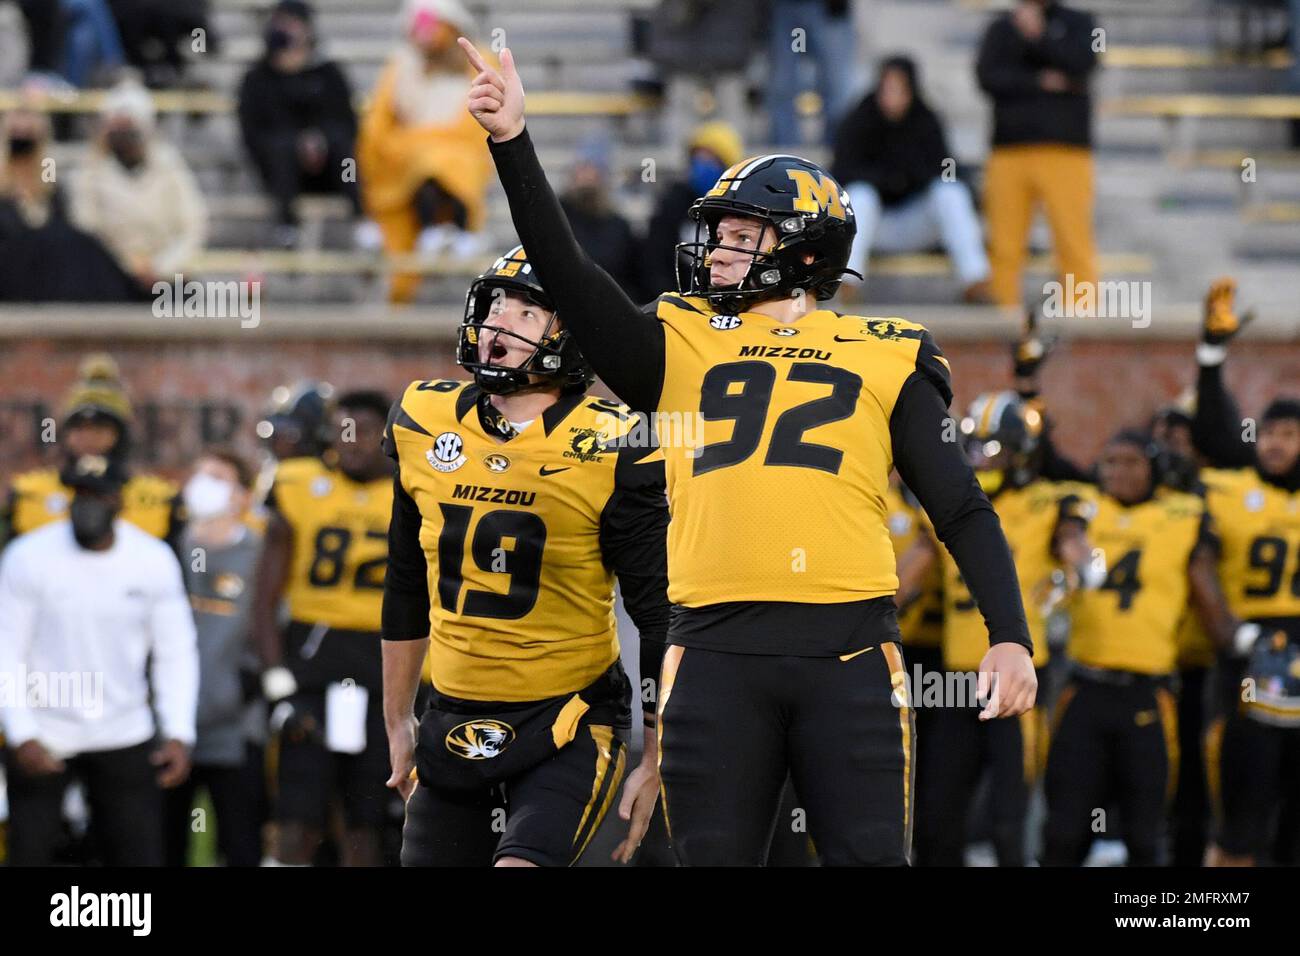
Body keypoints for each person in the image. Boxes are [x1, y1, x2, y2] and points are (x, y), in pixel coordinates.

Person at [461, 38, 1036, 866]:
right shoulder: (684, 333)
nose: (718, 247)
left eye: (740, 232)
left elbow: (959, 504)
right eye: (719, 231)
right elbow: (572, 277)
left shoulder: (888, 348)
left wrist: (1008, 633)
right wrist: (513, 141)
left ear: (804, 251)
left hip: (850, 654)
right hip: (714, 653)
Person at [382, 246, 669, 866]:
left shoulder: (614, 442)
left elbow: (657, 612)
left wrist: (657, 750)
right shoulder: (424, 418)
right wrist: (397, 718)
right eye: (494, 308)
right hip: (452, 715)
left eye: (526, 314)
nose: (498, 325)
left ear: (571, 335)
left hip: (567, 719)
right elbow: (406, 581)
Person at [897, 391, 1083, 866]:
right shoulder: (942, 505)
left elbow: (1080, 557)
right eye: (973, 448)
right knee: (937, 816)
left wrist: (1077, 567)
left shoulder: (1049, 504)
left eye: (993, 449)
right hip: (956, 681)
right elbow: (903, 583)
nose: (980, 459)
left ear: (1022, 452)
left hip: (1016, 680)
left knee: (1009, 817)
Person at [1043, 431, 1241, 866]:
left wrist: (1231, 638)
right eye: (1110, 462)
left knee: (1145, 834)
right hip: (1086, 686)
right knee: (1064, 831)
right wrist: (1076, 550)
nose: (1118, 472)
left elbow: (1204, 576)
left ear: (1153, 467)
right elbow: (1067, 528)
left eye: (1130, 462)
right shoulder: (1085, 505)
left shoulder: (1182, 515)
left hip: (1148, 693)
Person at [0, 454, 198, 866]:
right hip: (45, 730)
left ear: (120, 501)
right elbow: (7, 648)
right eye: (79, 494)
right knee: (31, 853)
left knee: (137, 856)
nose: (87, 504)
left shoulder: (152, 558)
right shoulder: (28, 556)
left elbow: (175, 651)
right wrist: (20, 732)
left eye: (99, 495)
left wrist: (178, 730)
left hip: (123, 730)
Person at [251, 390, 395, 866]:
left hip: (382, 667)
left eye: (365, 433)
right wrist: (276, 680)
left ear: (387, 436)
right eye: (342, 432)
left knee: (367, 823)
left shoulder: (413, 490)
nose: (351, 444)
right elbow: (264, 597)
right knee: (296, 816)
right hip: (312, 663)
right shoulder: (297, 483)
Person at [1188, 278, 1300, 867]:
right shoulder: (1236, 482)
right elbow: (1211, 430)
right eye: (1271, 433)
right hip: (1247, 655)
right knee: (1239, 818)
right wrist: (1211, 354)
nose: (1276, 444)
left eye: (1290, 434)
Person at [164, 451, 267, 867]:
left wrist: (246, 686)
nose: (203, 484)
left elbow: (271, 632)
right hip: (169, 727)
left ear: (243, 496)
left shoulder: (262, 554)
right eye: (200, 475)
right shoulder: (166, 552)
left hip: (237, 729)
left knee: (240, 845)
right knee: (164, 845)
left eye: (218, 478)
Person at [358, 0, 491, 302]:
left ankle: (457, 223)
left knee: (444, 160)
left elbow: (480, 122)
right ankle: (431, 226)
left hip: (459, 148)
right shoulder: (403, 65)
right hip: (409, 151)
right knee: (426, 160)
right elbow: (380, 123)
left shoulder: (475, 62)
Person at [832, 56, 991, 303]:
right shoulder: (860, 119)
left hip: (917, 224)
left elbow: (947, 170)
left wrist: (908, 177)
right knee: (861, 195)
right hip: (874, 225)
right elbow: (841, 173)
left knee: (950, 192)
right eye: (886, 89)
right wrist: (889, 180)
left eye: (899, 89)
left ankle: (975, 280)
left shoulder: (926, 120)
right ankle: (847, 284)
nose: (891, 97)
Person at [976, 0, 1099, 309]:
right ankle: (1001, 322)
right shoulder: (1001, 26)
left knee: (1073, 242)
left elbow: (1084, 64)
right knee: (1004, 246)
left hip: (1066, 152)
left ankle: (1082, 321)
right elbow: (988, 77)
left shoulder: (1079, 22)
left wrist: (1038, 36)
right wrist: (1039, 80)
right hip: (1009, 151)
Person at [2, 354, 181, 548]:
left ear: (120, 436)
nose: (88, 438)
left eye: (100, 429)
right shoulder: (29, 494)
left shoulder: (158, 500)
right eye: (79, 428)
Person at [236, 0, 369, 250]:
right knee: (282, 147)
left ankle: (362, 221)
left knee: (340, 145)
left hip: (330, 169)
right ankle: (286, 226)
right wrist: (296, 144)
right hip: (281, 172)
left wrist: (319, 141)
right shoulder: (258, 78)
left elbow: (347, 122)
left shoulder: (328, 73)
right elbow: (252, 131)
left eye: (293, 24)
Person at [69, 79, 209, 294]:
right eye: (117, 127)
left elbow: (193, 225)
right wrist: (126, 266)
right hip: (108, 280)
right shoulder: (90, 171)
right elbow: (86, 228)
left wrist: (159, 268)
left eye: (129, 128)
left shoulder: (169, 165)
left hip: (168, 280)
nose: (123, 135)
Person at [0, 106, 141, 302]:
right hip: (12, 266)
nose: (23, 138)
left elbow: (50, 196)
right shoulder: (3, 180)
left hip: (44, 266)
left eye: (29, 133)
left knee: (83, 246)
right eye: (16, 133)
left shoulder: (46, 173)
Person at [641, 121, 743, 299]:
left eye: (710, 158)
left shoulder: (741, 208)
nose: (702, 164)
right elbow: (655, 259)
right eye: (698, 157)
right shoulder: (673, 201)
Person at [558, 135, 645, 302]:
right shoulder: (555, 217)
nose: (587, 176)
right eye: (582, 168)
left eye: (593, 169)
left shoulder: (619, 225)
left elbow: (634, 275)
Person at [766, 0, 858, 146]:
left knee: (835, 84)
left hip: (828, 10)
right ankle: (783, 152)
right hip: (786, 8)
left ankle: (837, 146)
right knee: (782, 84)